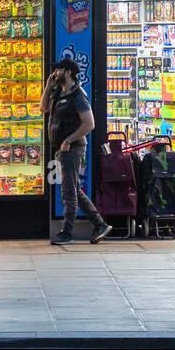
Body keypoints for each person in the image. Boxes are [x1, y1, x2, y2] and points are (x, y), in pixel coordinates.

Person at [42, 57, 111, 246]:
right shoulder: (58, 92)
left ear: (69, 72)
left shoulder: (78, 95)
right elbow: (43, 108)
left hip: (73, 148)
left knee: (68, 190)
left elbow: (89, 123)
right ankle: (99, 224)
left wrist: (68, 140)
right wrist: (48, 87)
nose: (55, 73)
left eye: (59, 70)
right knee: (72, 189)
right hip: (61, 148)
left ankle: (67, 231)